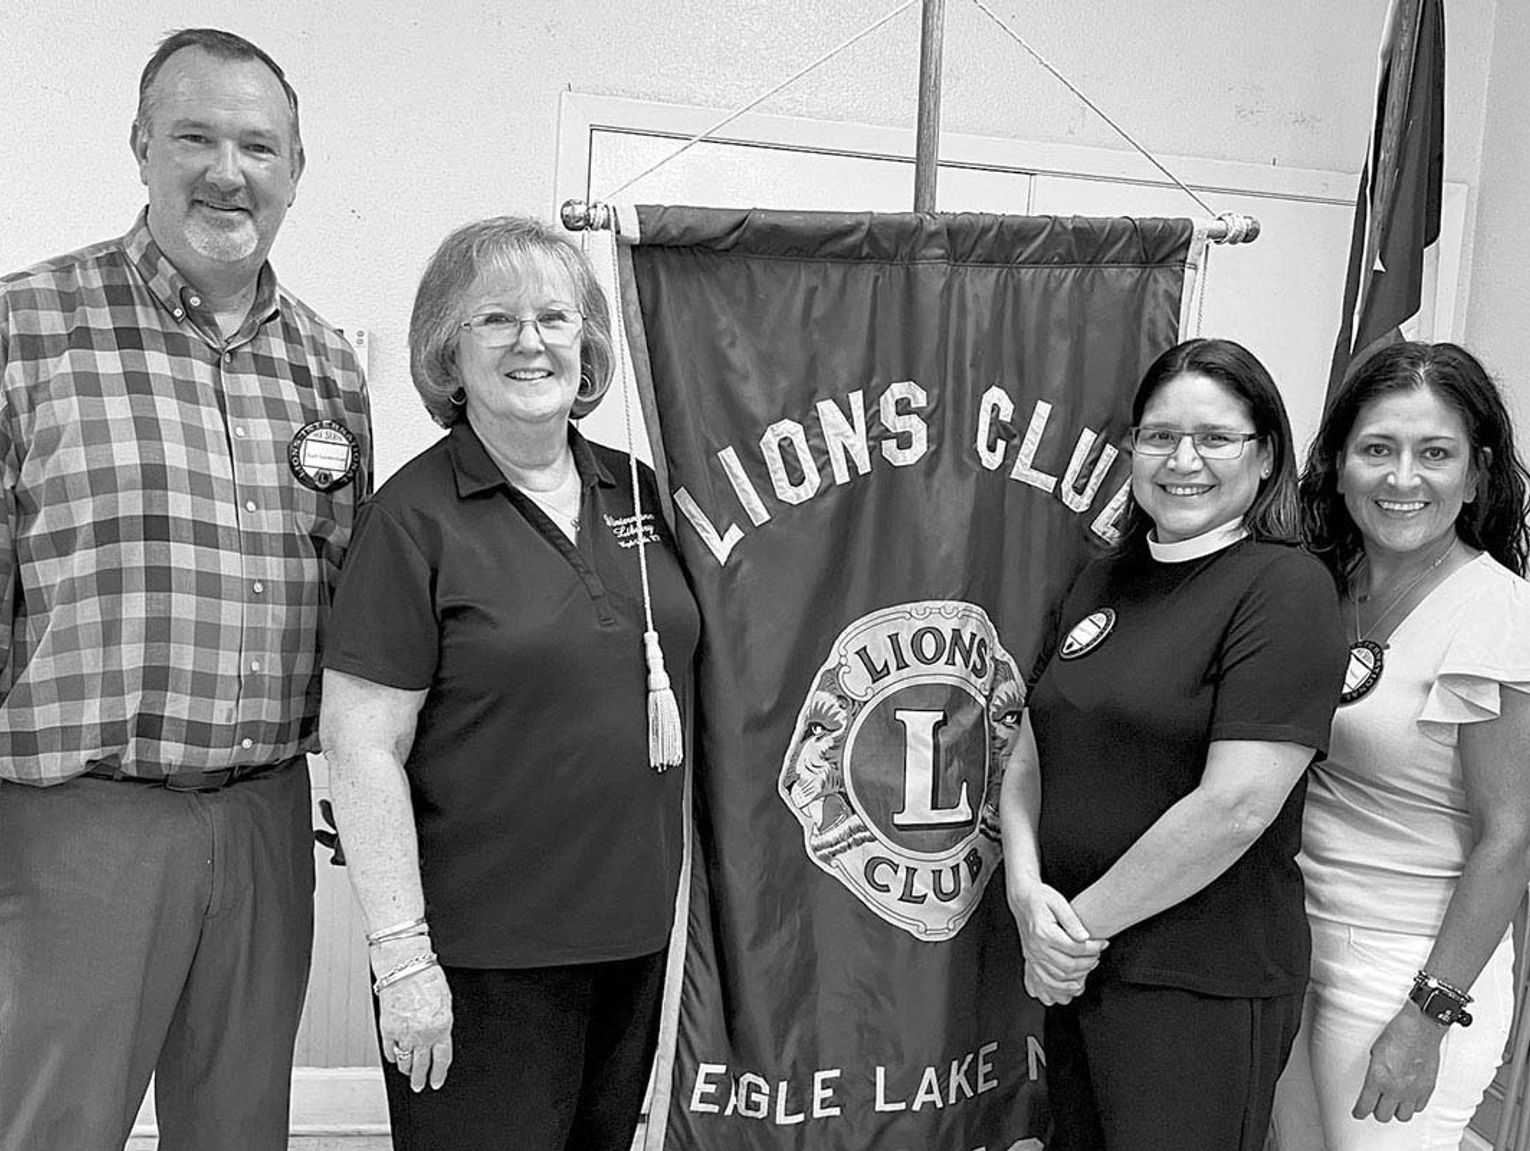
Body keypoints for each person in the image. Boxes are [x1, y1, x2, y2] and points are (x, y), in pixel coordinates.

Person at [0, 28, 370, 1151]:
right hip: (81, 818)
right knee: (51, 1126)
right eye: (196, 137)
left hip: (265, 818)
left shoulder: (328, 366)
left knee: (239, 1131)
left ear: (297, 171)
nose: (228, 170)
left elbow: (352, 591)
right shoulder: (26, 326)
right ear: (142, 147)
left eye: (259, 145)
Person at [320, 215, 699, 1151]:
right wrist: (403, 959)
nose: (531, 341)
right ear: (450, 353)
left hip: (633, 941)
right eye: (495, 319)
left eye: (554, 318)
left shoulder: (642, 494)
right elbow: (361, 744)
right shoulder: (411, 520)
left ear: (589, 342)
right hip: (480, 960)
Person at [1000, 337, 1348, 1151]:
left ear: (1265, 457)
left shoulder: (1285, 588)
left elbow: (1236, 806)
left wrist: (1071, 930)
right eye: (1158, 436)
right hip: (1077, 968)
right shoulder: (1100, 576)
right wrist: (1024, 892)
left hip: (1199, 979)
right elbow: (1026, 746)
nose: (1182, 459)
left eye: (1216, 437)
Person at [1270, 342, 1530, 1150]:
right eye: (1378, 448)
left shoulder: (1500, 614)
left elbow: (1510, 835)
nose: (1403, 477)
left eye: (1436, 453)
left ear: (1477, 474)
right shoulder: (1316, 585)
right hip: (1286, 945)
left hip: (1403, 970)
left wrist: (1428, 1018)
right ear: (1339, 465)